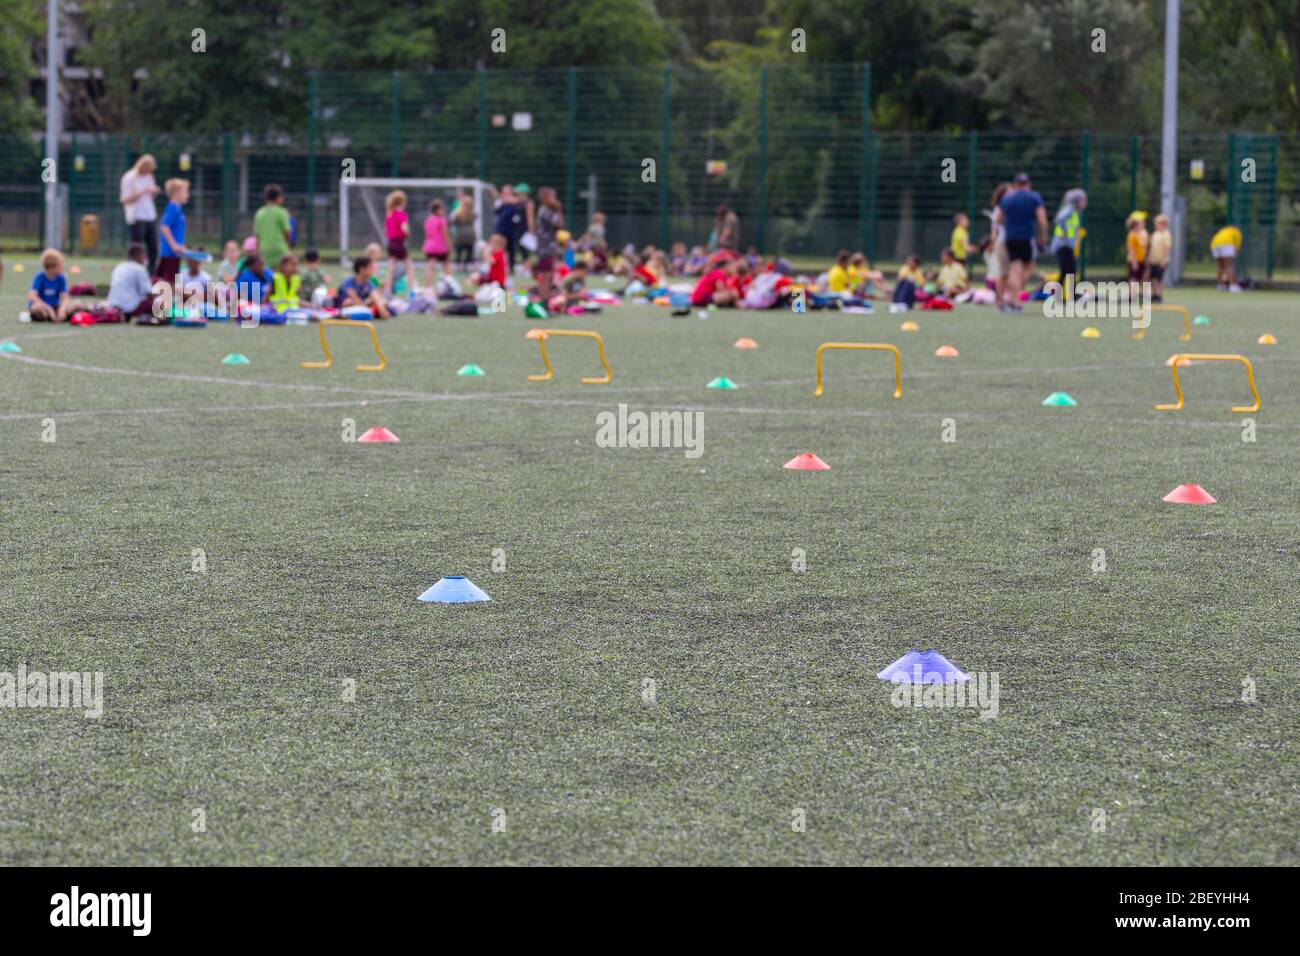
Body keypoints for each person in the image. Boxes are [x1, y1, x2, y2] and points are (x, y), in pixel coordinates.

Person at [994, 172, 1047, 312]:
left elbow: (998, 219)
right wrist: (1042, 237)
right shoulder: (1034, 197)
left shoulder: (1007, 199)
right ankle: (1013, 298)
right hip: (1025, 237)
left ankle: (1012, 297)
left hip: (1010, 238)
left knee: (1015, 268)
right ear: (1028, 184)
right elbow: (1042, 220)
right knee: (1027, 266)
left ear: (1016, 184)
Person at [119, 154, 160, 274]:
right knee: (136, 249)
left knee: (153, 249)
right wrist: (142, 191)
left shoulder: (149, 177)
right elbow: (125, 199)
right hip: (136, 216)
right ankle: (132, 272)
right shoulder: (129, 178)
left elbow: (151, 197)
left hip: (150, 216)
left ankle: (150, 274)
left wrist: (153, 192)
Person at [1050, 189, 1086, 299]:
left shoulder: (1073, 211)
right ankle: (1073, 296)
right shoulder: (1070, 209)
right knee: (1071, 270)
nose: (1084, 203)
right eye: (1083, 200)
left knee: (1066, 271)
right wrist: (1065, 232)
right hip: (1063, 245)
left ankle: (1058, 295)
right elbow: (1059, 219)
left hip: (1066, 245)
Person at [107, 243, 154, 319]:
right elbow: (148, 293)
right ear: (138, 256)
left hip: (113, 306)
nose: (145, 258)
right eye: (143, 255)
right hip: (131, 308)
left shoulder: (119, 266)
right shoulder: (139, 269)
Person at [532, 186, 564, 301]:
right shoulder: (545, 211)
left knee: (548, 276)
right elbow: (559, 224)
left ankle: (546, 300)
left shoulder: (547, 210)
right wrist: (559, 209)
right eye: (553, 197)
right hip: (546, 248)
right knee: (546, 276)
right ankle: (544, 301)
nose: (555, 199)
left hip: (547, 247)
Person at [156, 178, 190, 284]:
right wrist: (174, 245)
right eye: (185, 191)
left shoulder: (178, 208)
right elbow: (164, 227)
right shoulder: (172, 207)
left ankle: (169, 299)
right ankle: (162, 300)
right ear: (177, 193)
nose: (187, 194)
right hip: (169, 253)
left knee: (173, 280)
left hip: (174, 254)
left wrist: (181, 245)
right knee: (168, 281)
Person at [253, 184, 292, 274]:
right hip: (280, 249)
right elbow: (287, 232)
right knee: (281, 275)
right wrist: (289, 248)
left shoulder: (259, 213)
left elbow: (257, 236)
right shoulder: (282, 212)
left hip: (264, 249)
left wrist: (257, 251)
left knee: (267, 274)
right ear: (278, 197)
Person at [27, 248, 74, 321]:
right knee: (36, 308)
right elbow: (32, 296)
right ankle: (47, 316)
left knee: (76, 304)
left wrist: (61, 310)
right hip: (43, 307)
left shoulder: (61, 278)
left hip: (55, 306)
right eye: (60, 265)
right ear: (51, 268)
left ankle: (58, 316)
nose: (62, 268)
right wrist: (48, 309)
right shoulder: (39, 277)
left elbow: (65, 298)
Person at [984, 183, 1011, 300]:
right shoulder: (999, 209)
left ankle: (1006, 296)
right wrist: (993, 244)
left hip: (1010, 242)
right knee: (1003, 272)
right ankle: (1000, 298)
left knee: (1009, 272)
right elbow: (994, 231)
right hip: (1002, 243)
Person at [383, 190, 410, 296]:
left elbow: (386, 230)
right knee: (409, 267)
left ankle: (387, 291)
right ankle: (412, 289)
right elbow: (405, 228)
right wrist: (407, 233)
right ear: (402, 202)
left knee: (391, 269)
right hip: (399, 243)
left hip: (391, 243)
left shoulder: (389, 215)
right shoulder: (401, 214)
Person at [422, 199, 450, 288]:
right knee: (446, 266)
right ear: (437, 210)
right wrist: (448, 245)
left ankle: (427, 286)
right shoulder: (442, 220)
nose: (443, 211)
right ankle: (448, 284)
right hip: (440, 247)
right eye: (441, 209)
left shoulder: (428, 220)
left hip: (430, 246)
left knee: (430, 267)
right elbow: (445, 234)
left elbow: (427, 233)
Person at [1210, 224, 1242, 291]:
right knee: (1229, 266)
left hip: (1214, 244)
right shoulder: (1237, 232)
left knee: (1220, 267)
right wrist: (1235, 252)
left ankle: (1221, 286)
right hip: (1227, 243)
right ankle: (1233, 286)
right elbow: (1237, 245)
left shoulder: (1224, 230)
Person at [1149, 214, 1173, 302]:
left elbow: (1168, 248)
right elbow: (1152, 247)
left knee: (1159, 279)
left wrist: (1163, 259)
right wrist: (1150, 258)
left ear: (1163, 224)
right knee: (1154, 278)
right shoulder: (1155, 234)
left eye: (1158, 223)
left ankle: (1159, 295)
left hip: (1162, 261)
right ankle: (1155, 294)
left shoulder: (1166, 234)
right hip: (1154, 261)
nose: (1156, 225)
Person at [451, 192, 476, 270]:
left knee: (459, 251)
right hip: (470, 235)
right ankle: (466, 265)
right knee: (469, 251)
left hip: (460, 235)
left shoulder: (458, 214)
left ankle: (458, 265)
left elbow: (452, 221)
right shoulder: (473, 213)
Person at [1125, 213, 1149, 291]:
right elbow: (1131, 250)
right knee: (1134, 278)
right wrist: (1134, 262)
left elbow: (1144, 246)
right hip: (1134, 260)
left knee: (1145, 277)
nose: (1144, 223)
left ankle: (1143, 295)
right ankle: (1130, 296)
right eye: (1142, 222)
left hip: (1142, 259)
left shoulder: (1142, 233)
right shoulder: (1132, 235)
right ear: (1136, 224)